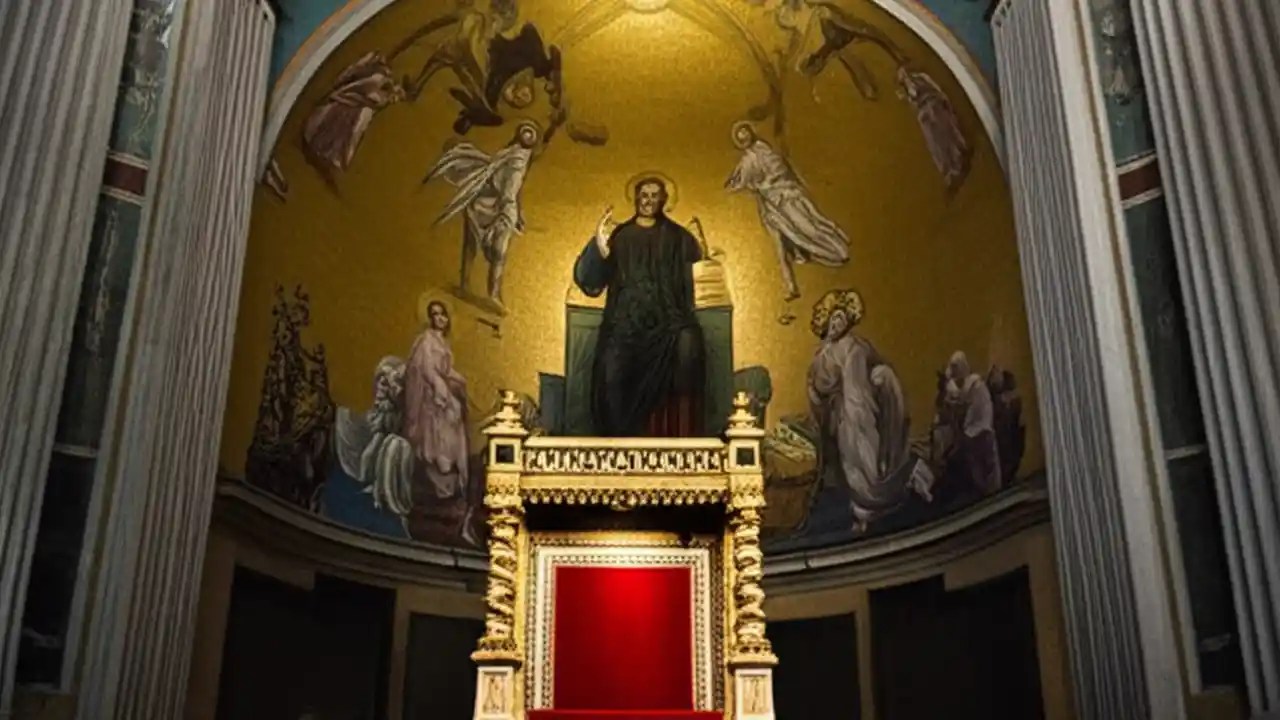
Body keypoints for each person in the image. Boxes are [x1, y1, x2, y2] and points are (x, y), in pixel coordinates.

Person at [573, 178, 706, 436]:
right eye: (643, 195)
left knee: (689, 343)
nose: (648, 200)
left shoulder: (678, 237)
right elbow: (590, 282)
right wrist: (599, 246)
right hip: (624, 327)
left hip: (666, 324)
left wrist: (701, 245)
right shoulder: (620, 236)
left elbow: (698, 257)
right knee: (609, 368)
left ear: (663, 200)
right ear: (635, 198)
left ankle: (680, 442)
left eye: (655, 196)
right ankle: (616, 443)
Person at [807, 289, 931, 532]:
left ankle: (875, 503)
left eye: (842, 320)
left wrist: (875, 387)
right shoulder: (820, 356)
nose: (837, 325)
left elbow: (873, 376)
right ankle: (865, 508)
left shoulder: (854, 346)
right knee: (854, 468)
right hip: (843, 419)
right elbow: (817, 387)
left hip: (860, 416)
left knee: (866, 465)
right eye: (834, 319)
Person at [424, 121, 542, 312]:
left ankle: (493, 294)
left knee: (500, 252)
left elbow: (516, 187)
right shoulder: (507, 154)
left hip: (507, 208)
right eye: (524, 132)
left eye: (532, 134)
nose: (528, 136)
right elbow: (495, 177)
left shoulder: (525, 158)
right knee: (471, 244)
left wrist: (518, 211)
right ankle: (464, 284)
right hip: (486, 203)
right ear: (518, 135)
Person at [725, 121, 849, 301]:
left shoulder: (764, 148)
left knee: (811, 225)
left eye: (746, 132)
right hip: (774, 204)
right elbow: (741, 180)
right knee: (789, 239)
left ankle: (835, 249)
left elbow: (777, 167)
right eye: (741, 136)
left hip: (787, 194)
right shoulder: (748, 160)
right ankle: (792, 282)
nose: (745, 136)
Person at [403, 301, 471, 504]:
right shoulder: (426, 341)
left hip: (442, 396)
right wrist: (443, 392)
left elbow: (445, 369)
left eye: (443, 314)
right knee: (442, 431)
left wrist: (461, 380)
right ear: (430, 318)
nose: (440, 318)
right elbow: (427, 370)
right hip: (432, 400)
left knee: (455, 417)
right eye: (435, 314)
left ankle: (451, 477)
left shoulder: (442, 342)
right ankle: (442, 478)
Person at [333, 356, 415, 518]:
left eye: (386, 384)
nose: (380, 388)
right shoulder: (360, 419)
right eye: (379, 381)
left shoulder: (394, 437)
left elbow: (364, 472)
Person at [942, 351, 1001, 494]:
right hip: (970, 436)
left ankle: (993, 492)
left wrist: (968, 429)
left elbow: (979, 410)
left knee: (989, 466)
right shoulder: (957, 389)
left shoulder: (976, 386)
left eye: (957, 368)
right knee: (976, 469)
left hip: (981, 431)